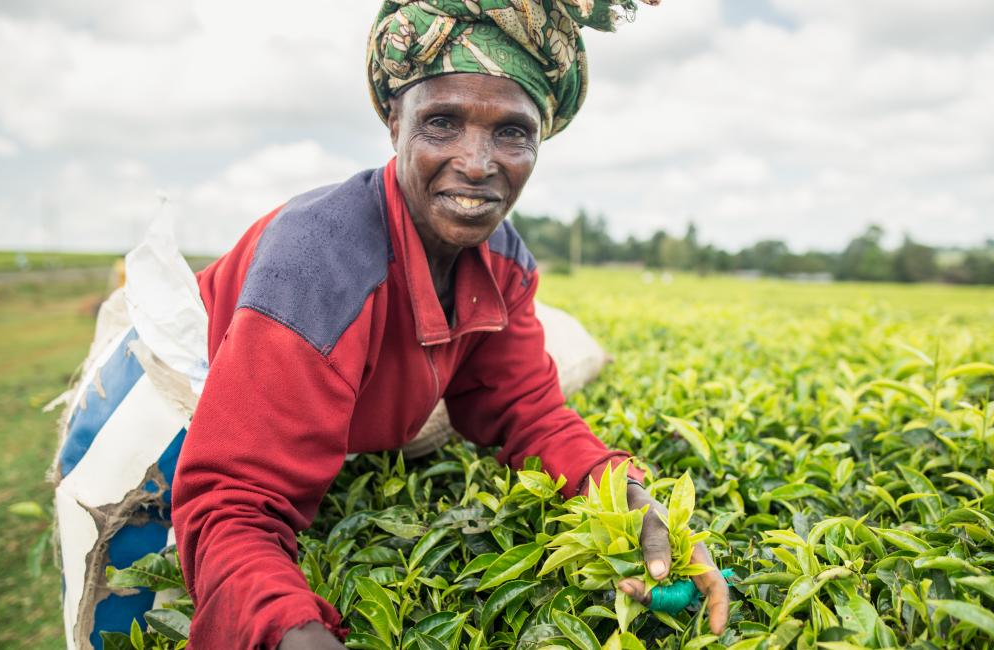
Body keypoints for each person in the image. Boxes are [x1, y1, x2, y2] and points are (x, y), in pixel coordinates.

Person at [170, 2, 730, 648]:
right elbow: (232, 503)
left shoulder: (503, 259)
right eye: (442, 123)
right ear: (394, 124)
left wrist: (635, 503)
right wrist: (289, 632)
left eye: (511, 133)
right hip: (216, 376)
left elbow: (527, 410)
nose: (477, 163)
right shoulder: (316, 260)